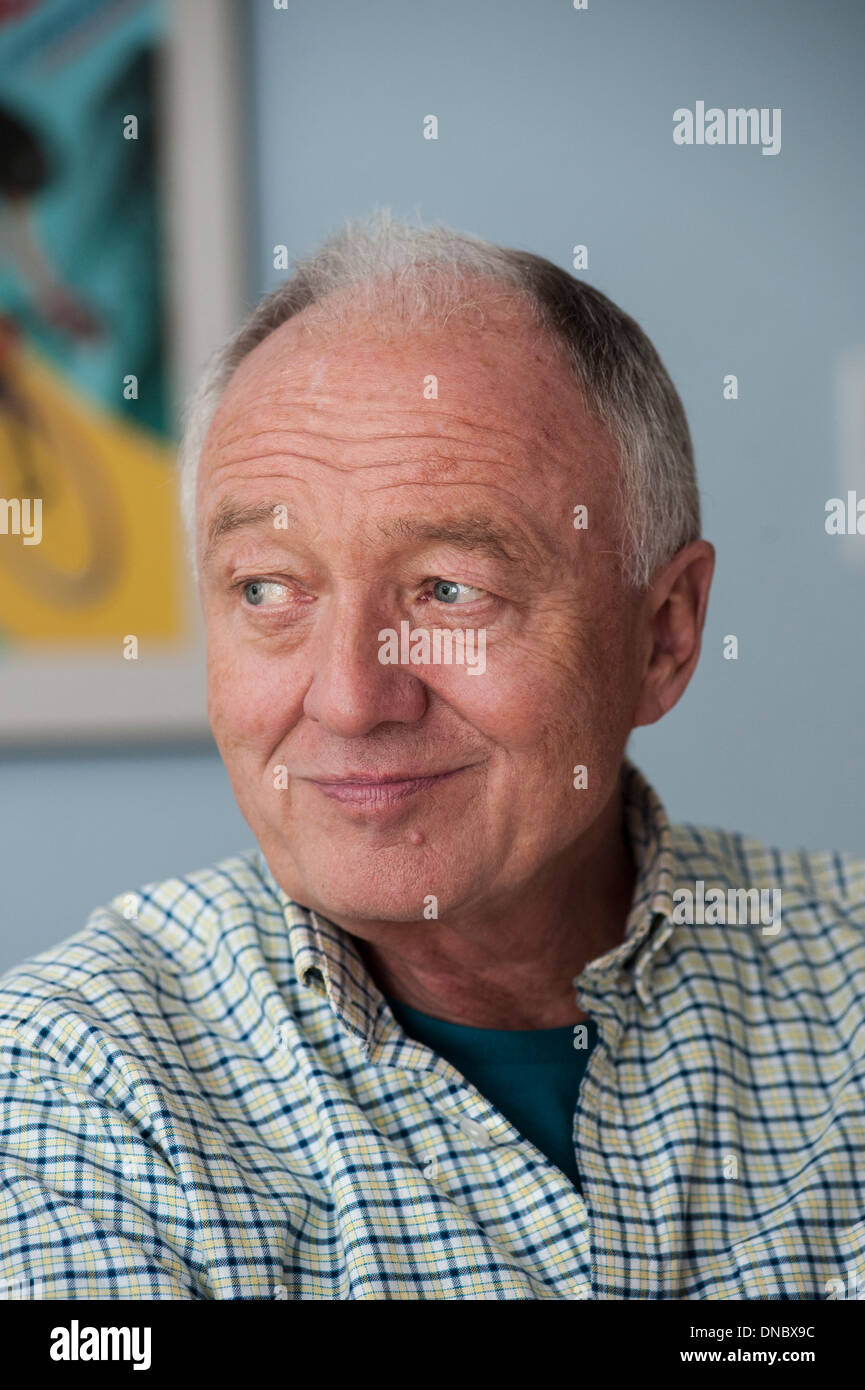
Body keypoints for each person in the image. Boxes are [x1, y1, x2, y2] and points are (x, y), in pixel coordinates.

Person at [1, 211, 863, 1301]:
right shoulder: (76, 1080)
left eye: (450, 591)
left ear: (664, 634)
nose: (352, 698)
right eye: (268, 589)